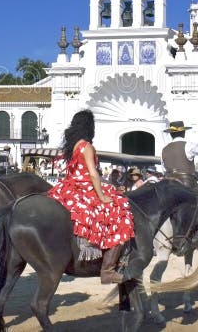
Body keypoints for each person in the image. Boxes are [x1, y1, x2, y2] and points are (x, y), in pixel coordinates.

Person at [48, 109, 134, 284]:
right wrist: (102, 196)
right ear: (89, 127)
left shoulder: (74, 145)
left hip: (70, 186)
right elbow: (93, 174)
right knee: (121, 213)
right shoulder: (87, 146)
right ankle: (108, 269)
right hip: (85, 187)